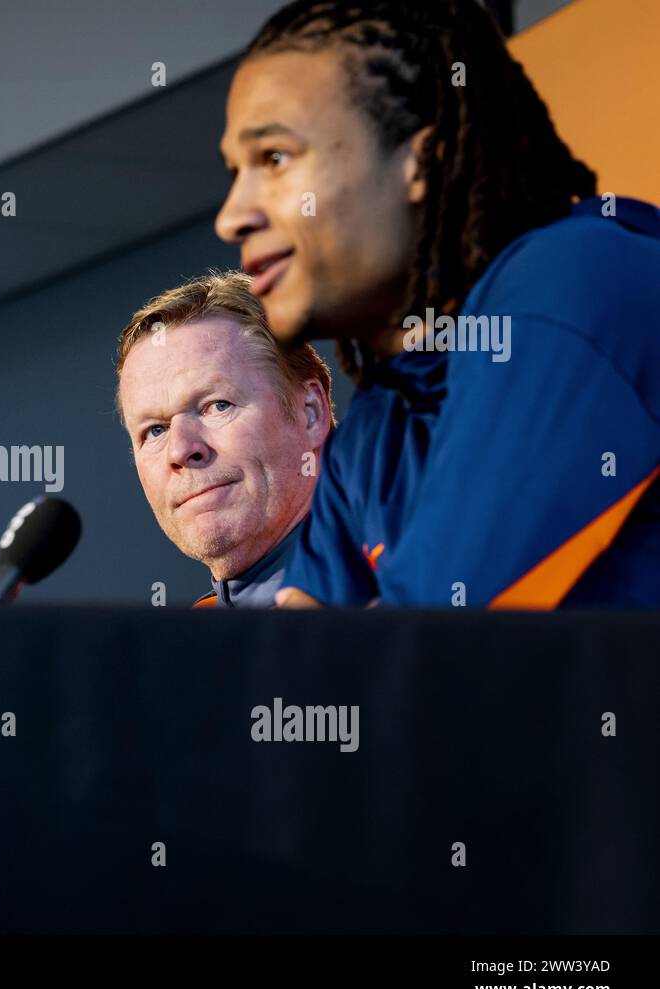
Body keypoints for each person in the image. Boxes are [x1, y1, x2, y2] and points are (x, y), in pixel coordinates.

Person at [215, 0, 660, 609]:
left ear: (422, 161)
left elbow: (428, 657)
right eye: (236, 171)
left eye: (275, 158)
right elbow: (295, 676)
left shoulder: (574, 282)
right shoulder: (379, 421)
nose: (231, 217)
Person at [116, 270, 333, 607]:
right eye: (155, 430)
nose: (182, 449)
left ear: (311, 412)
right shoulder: (185, 648)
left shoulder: (413, 582)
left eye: (217, 406)